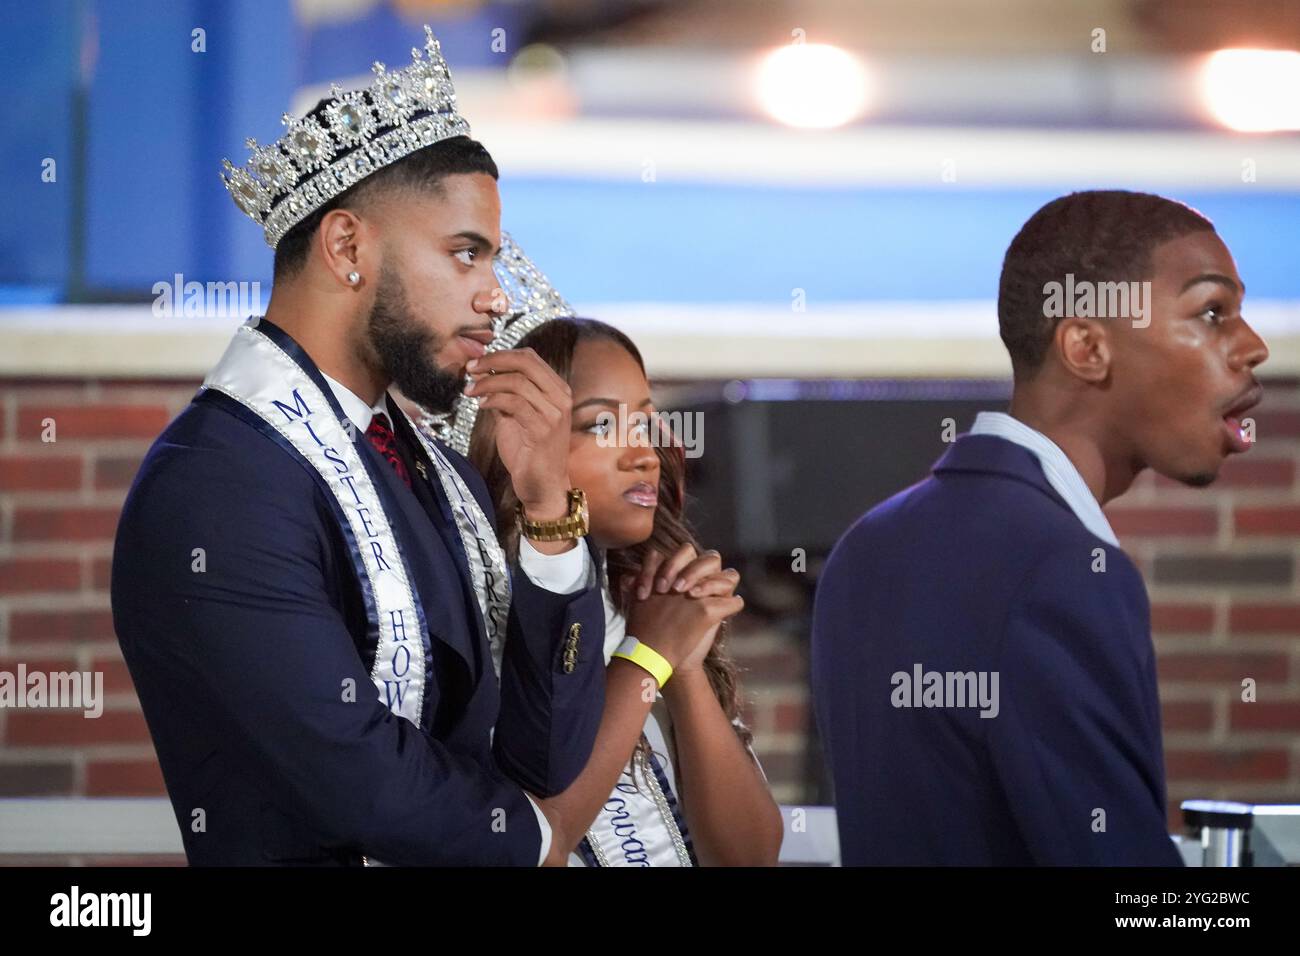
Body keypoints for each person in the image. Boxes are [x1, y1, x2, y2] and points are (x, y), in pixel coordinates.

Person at [111, 26, 736, 866]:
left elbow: (543, 757)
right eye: (466, 254)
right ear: (345, 247)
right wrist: (542, 840)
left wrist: (552, 515)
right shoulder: (220, 483)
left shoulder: (434, 470)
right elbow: (360, 781)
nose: (494, 295)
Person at [812, 189, 1268, 865]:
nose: (1252, 346)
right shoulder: (1064, 571)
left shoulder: (868, 544)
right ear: (1086, 347)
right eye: (1210, 312)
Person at [432, 245, 782, 865]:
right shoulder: (467, 616)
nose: (642, 453)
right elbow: (538, 842)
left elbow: (749, 854)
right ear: (509, 442)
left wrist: (686, 667)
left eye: (644, 424)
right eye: (600, 426)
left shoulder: (640, 602)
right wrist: (647, 659)